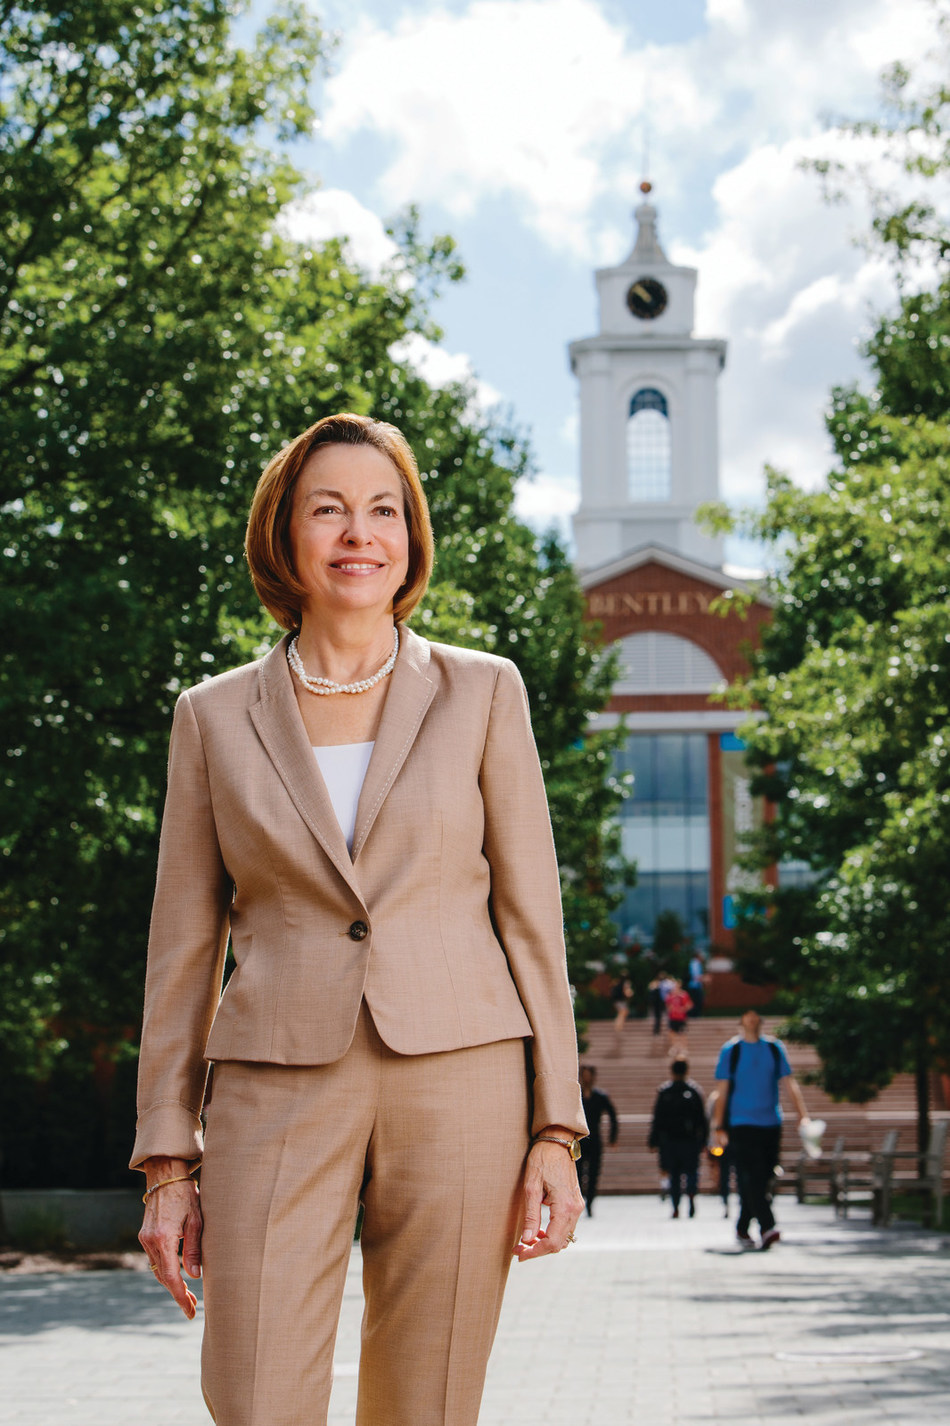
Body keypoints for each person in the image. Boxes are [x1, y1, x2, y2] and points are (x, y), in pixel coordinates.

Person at [131, 412, 586, 1426]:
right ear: (284, 533)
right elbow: (183, 948)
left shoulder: (483, 692)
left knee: (428, 1402)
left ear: (410, 536)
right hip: (273, 1084)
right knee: (253, 1392)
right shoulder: (212, 716)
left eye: (384, 511)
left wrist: (556, 1128)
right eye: (328, 510)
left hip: (461, 1078)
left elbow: (531, 920)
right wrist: (166, 1160)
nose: (358, 535)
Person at [712, 1009, 810, 1251]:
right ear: (741, 1019)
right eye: (747, 1015)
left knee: (763, 1177)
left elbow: (789, 1082)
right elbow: (722, 1090)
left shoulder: (774, 1049)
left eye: (756, 1015)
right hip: (741, 1122)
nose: (752, 1019)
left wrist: (802, 1115)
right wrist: (719, 1125)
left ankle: (742, 1226)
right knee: (751, 1175)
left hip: (771, 1122)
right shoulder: (731, 1051)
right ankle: (767, 1227)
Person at [648, 1057, 708, 1219]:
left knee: (674, 1175)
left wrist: (653, 1140)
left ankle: (675, 1207)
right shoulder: (694, 1091)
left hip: (670, 1141)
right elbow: (702, 1119)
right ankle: (691, 1198)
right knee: (691, 1173)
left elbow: (657, 1118)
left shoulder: (665, 1092)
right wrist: (704, 1140)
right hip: (689, 1140)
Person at [578, 1064, 619, 1215]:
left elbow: (613, 1115)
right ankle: (579, 1202)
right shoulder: (576, 1095)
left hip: (595, 1139)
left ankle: (590, 1203)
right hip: (579, 1139)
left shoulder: (600, 1096)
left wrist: (612, 1137)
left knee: (594, 1173)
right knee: (578, 1173)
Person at [665, 978, 693, 1050]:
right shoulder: (670, 995)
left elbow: (689, 1005)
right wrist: (670, 1009)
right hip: (673, 1017)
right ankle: (674, 1046)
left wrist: (683, 1009)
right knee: (671, 1032)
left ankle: (684, 1048)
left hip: (681, 1017)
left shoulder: (683, 995)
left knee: (683, 1033)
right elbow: (668, 1006)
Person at [610, 972, 633, 1055]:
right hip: (621, 1001)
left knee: (623, 1013)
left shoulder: (616, 982)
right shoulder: (626, 983)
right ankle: (618, 1026)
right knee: (622, 1014)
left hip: (616, 1001)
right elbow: (628, 993)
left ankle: (619, 1026)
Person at [686, 950, 706, 1017]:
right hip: (694, 986)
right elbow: (695, 976)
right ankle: (694, 1016)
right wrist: (704, 978)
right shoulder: (695, 964)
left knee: (697, 1001)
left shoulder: (696, 963)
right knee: (697, 1002)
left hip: (696, 986)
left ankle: (695, 1015)